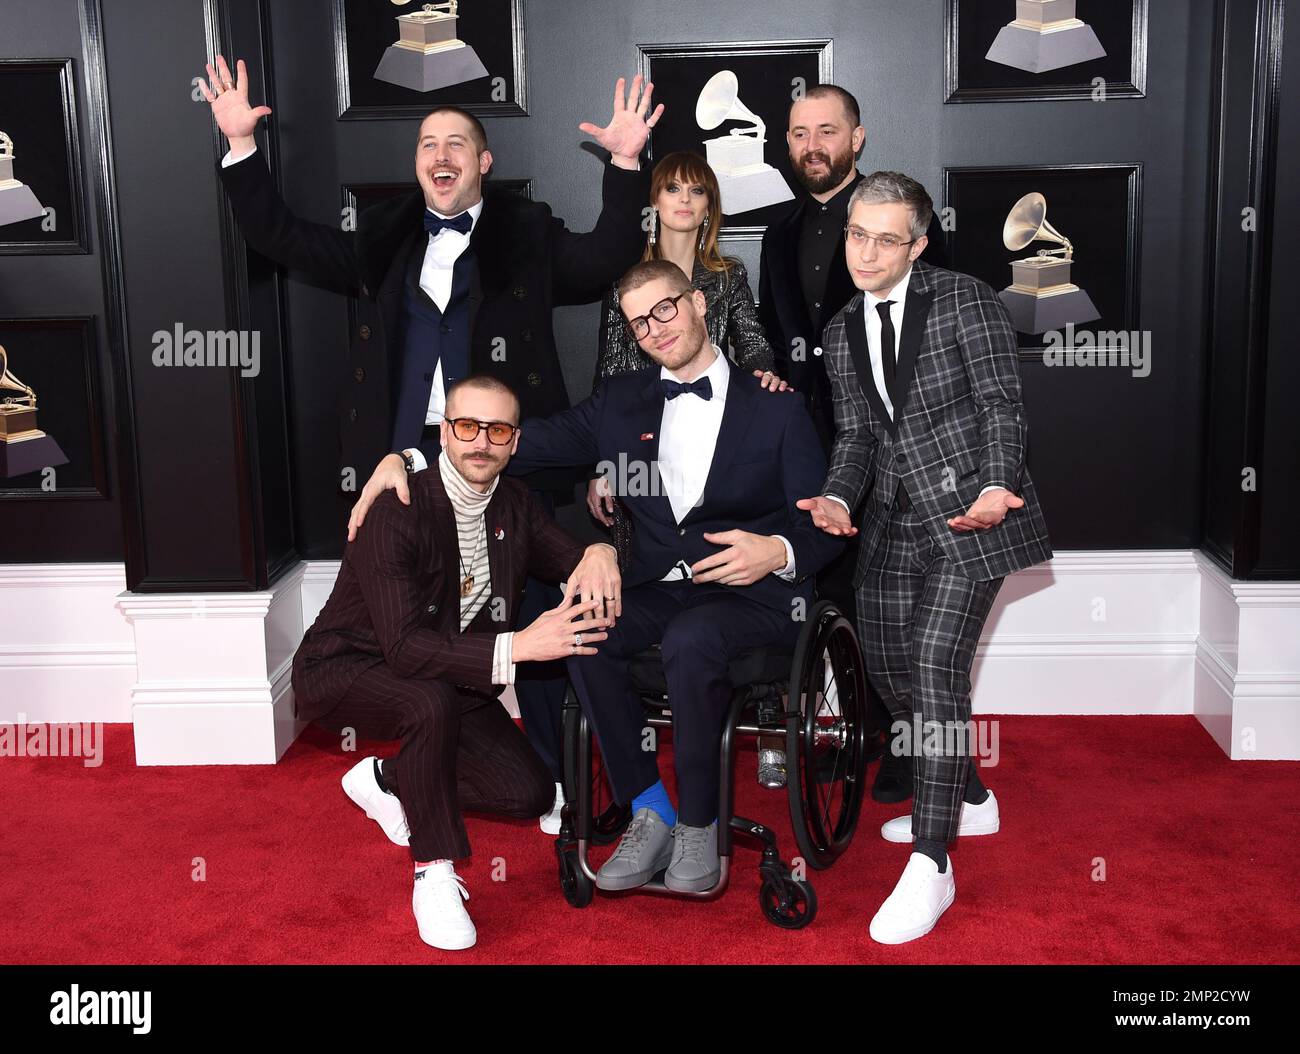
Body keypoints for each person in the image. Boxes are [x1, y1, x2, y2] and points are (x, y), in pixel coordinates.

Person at [199, 55, 659, 828]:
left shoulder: (528, 234)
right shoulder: (383, 239)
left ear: (483, 162)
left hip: (512, 455)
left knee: (544, 619)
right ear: (417, 166)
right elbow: (282, 238)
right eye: (426, 145)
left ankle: (556, 788)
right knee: (419, 628)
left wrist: (624, 163)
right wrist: (241, 148)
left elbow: (608, 255)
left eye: (456, 144)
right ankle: (415, 766)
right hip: (408, 465)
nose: (440, 156)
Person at [509, 260, 843, 893]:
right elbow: (523, 442)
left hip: (760, 597)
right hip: (662, 587)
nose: (655, 330)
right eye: (639, 323)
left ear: (698, 304)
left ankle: (698, 822)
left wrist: (774, 550)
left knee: (694, 636)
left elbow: (821, 524)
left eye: (664, 310)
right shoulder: (619, 401)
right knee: (583, 626)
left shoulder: (776, 407)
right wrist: (422, 450)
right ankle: (649, 807)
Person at [797, 172, 1052, 945]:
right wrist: (839, 499)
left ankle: (932, 858)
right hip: (893, 524)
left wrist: (1000, 482)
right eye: (855, 235)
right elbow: (856, 438)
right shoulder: (840, 328)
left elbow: (1001, 403)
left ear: (917, 243)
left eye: (885, 238)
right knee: (888, 667)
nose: (866, 252)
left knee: (937, 663)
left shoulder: (965, 298)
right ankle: (968, 794)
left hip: (975, 514)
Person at [291, 375, 620, 951]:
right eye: (467, 426)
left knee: (529, 793)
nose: (481, 442)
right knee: (428, 700)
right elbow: (405, 650)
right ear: (445, 432)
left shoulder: (515, 503)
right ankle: (433, 872)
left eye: (497, 430)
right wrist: (518, 646)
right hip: (346, 666)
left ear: (514, 442)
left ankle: (385, 780)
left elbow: (568, 555)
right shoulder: (399, 510)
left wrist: (599, 549)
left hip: (448, 673)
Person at [759, 83, 950, 803]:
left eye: (828, 130)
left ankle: (908, 747)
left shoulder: (897, 219)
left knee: (896, 606)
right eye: (800, 132)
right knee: (829, 593)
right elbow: (779, 340)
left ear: (858, 138)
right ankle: (848, 733)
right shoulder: (777, 233)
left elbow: (933, 331)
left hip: (895, 446)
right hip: (810, 447)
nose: (814, 144)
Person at [587, 150, 790, 788]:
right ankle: (646, 720)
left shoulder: (726, 277)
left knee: (732, 573)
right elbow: (609, 376)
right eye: (672, 188)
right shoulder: (622, 279)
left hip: (713, 445)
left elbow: (753, 340)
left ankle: (767, 717)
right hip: (640, 446)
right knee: (642, 574)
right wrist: (604, 462)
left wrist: (766, 376)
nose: (683, 200)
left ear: (708, 207)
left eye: (696, 192)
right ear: (655, 197)